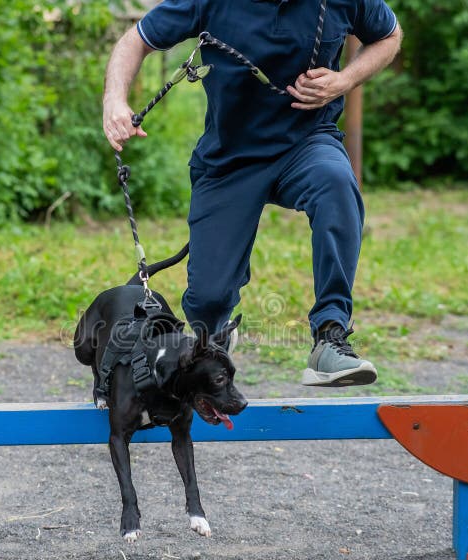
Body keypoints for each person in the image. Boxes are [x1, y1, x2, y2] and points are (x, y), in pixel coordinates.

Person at [102, 0, 402, 387]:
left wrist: (345, 80)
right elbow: (135, 40)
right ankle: (218, 328)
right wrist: (115, 101)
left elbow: (389, 35)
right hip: (230, 158)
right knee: (207, 301)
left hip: (307, 142)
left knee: (336, 182)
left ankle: (331, 337)